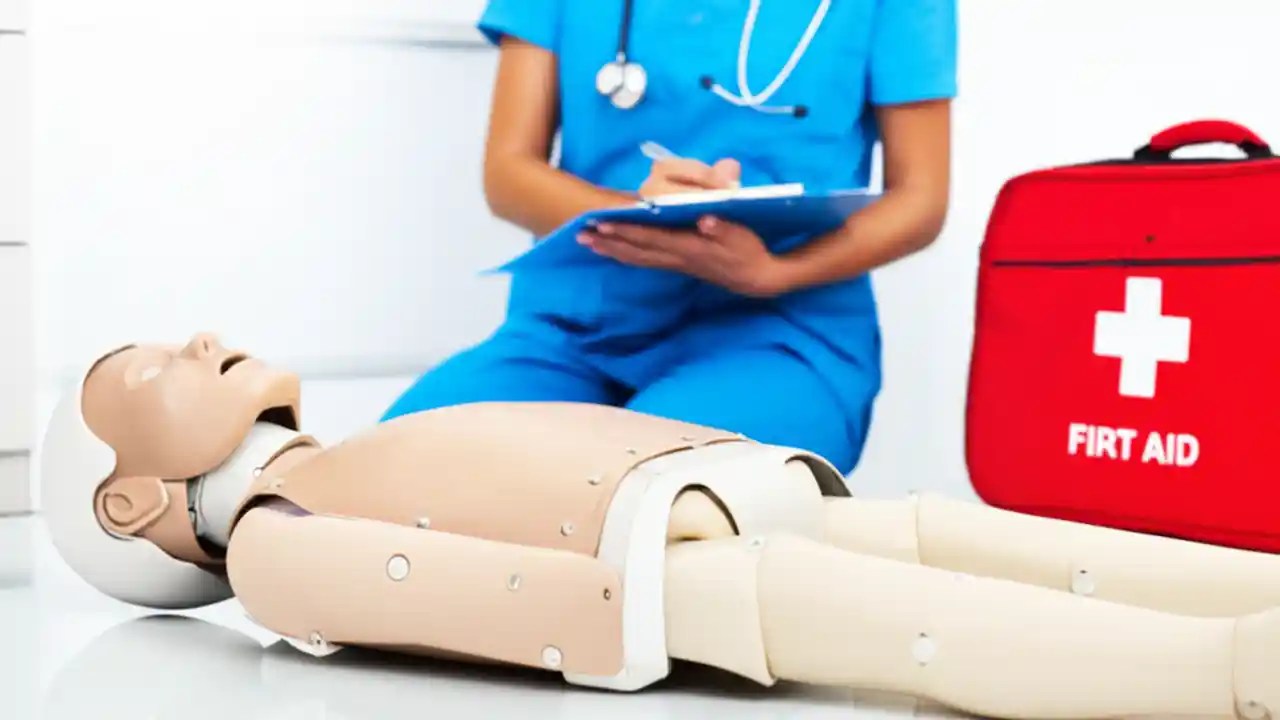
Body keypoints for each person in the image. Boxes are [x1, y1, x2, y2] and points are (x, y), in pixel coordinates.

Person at [40, 335, 1280, 719]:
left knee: (942, 535)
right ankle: (1229, 672)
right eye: (149, 367)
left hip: (703, 476)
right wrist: (625, 604)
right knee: (907, 617)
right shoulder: (273, 545)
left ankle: (1248, 589)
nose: (194, 342)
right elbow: (425, 585)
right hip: (655, 560)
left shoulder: (344, 454)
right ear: (132, 504)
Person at [381, 0, 958, 475]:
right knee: (382, 477)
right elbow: (508, 171)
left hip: (782, 336)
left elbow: (920, 199)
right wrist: (642, 213)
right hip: (572, 331)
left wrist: (775, 273)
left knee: (637, 495)